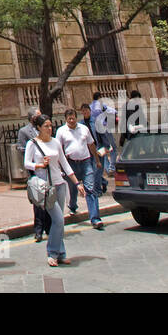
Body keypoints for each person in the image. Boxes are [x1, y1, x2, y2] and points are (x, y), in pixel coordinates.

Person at [25, 115, 83, 267]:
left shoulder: (55, 142)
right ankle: (52, 252)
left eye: (51, 126)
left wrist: (76, 183)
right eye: (46, 126)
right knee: (58, 220)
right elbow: (26, 163)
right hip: (45, 187)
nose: (49, 129)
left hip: (60, 184)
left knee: (59, 222)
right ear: (38, 128)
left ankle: (61, 253)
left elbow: (64, 163)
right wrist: (38, 165)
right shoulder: (32, 144)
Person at [57, 108, 104, 230]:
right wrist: (60, 166)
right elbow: (59, 149)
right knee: (73, 188)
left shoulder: (84, 129)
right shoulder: (61, 131)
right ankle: (73, 206)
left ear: (76, 118)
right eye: (69, 119)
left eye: (73, 118)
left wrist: (97, 160)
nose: (72, 120)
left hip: (86, 162)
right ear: (66, 119)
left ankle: (95, 218)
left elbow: (91, 144)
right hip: (71, 163)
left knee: (90, 189)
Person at [17, 108, 51, 241]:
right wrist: (34, 152)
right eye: (38, 115)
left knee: (49, 201)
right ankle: (38, 230)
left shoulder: (45, 130)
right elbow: (20, 148)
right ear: (32, 118)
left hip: (47, 171)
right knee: (38, 203)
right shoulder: (24, 132)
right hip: (35, 171)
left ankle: (49, 228)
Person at [91, 92, 119, 192]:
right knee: (112, 148)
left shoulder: (91, 107)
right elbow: (113, 111)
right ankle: (111, 167)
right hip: (104, 129)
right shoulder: (101, 105)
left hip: (96, 133)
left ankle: (107, 169)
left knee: (101, 151)